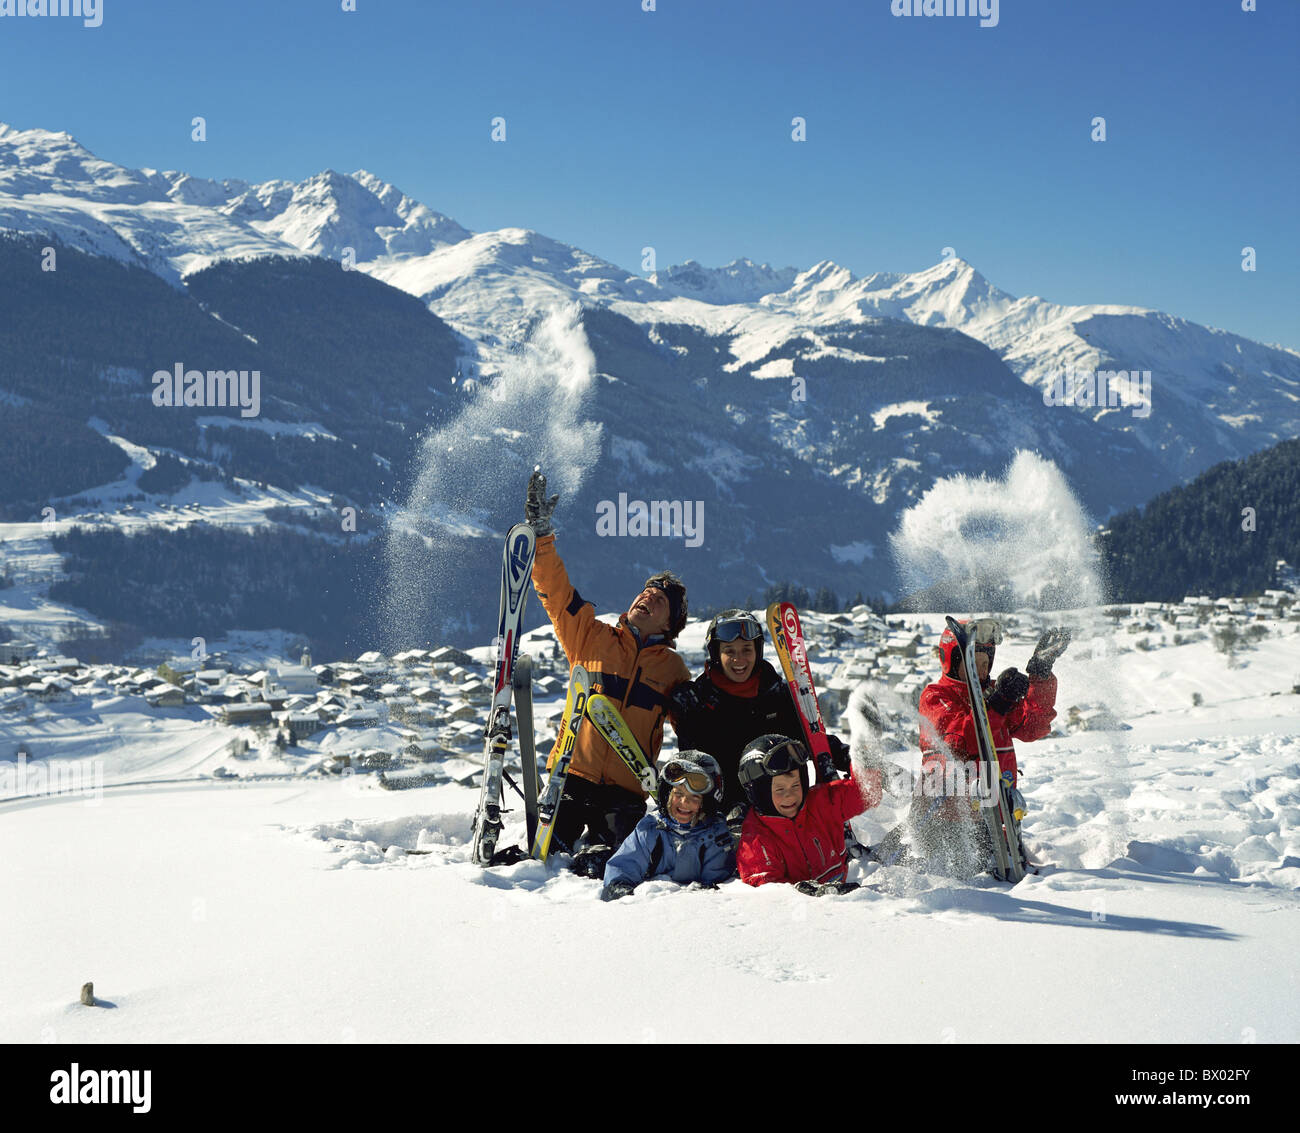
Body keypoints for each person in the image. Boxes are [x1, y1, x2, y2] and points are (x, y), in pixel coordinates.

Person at [525, 468, 691, 878]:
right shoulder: (591, 636)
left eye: (659, 600)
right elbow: (557, 595)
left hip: (625, 791)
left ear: (670, 626)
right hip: (572, 777)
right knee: (546, 852)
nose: (647, 597)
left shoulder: (673, 671)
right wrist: (541, 536)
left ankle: (597, 856)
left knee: (609, 857)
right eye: (645, 592)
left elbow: (693, 731)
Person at [876, 618, 1068, 871]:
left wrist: (1040, 676)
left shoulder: (996, 696)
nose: (980, 670)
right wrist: (998, 702)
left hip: (997, 817)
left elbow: (1033, 726)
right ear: (953, 662)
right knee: (975, 888)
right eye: (972, 663)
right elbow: (960, 740)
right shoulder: (936, 696)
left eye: (985, 663)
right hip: (947, 822)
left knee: (1009, 879)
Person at [670, 609, 851, 839]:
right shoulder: (699, 702)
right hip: (726, 814)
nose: (739, 659)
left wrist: (846, 756)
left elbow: (810, 737)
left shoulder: (776, 694)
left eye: (747, 650)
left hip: (784, 806)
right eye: (729, 651)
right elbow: (694, 766)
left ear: (758, 651)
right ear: (716, 654)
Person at [736, 734, 882, 893]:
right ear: (761, 793)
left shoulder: (821, 804)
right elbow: (767, 891)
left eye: (795, 785)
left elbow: (867, 794)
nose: (790, 795)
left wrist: (861, 757)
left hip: (844, 901)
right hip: (801, 913)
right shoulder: (756, 840)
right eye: (780, 789)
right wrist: (808, 892)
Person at [601, 753, 734, 900]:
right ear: (667, 795)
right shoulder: (650, 829)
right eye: (678, 793)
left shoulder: (716, 835)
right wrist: (620, 889)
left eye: (694, 797)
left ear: (706, 803)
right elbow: (624, 866)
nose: (684, 802)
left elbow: (718, 883)